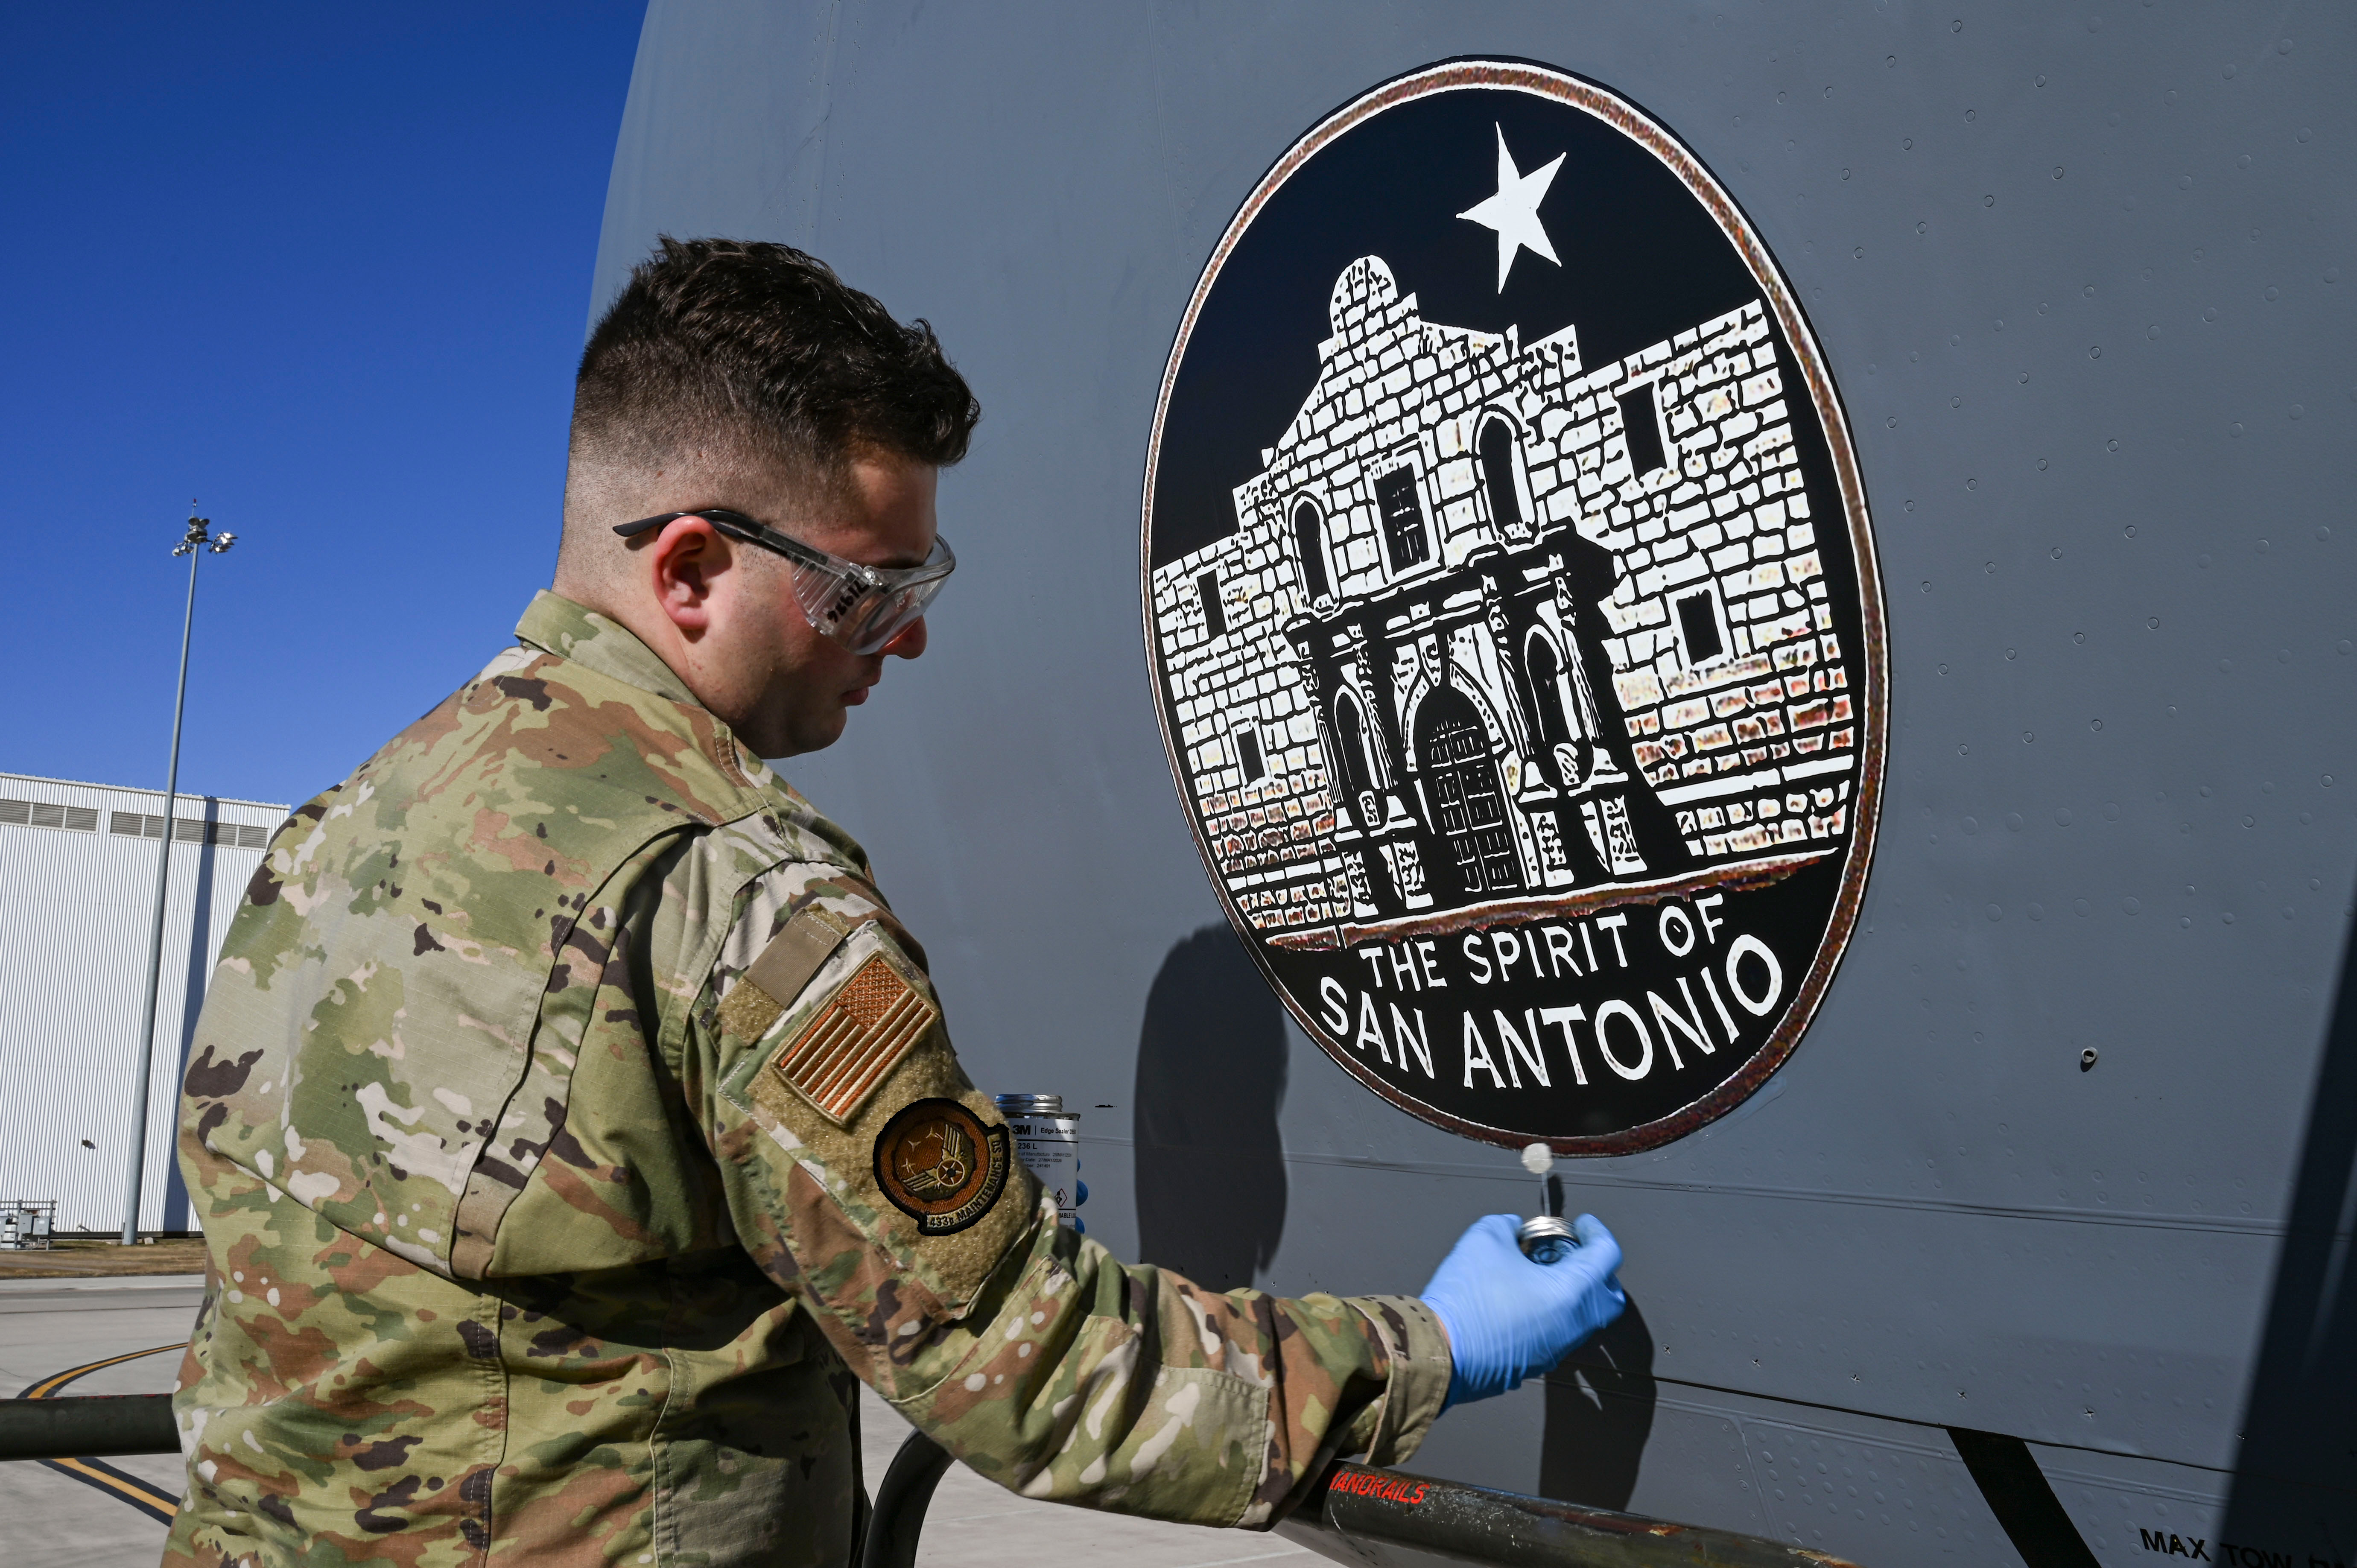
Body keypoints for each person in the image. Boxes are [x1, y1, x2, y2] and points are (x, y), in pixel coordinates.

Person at [165, 238, 1625, 1568]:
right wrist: (1431, 1349)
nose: (908, 632)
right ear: (689, 569)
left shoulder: (345, 822)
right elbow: (1032, 1366)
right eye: (869, 585)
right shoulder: (736, 887)